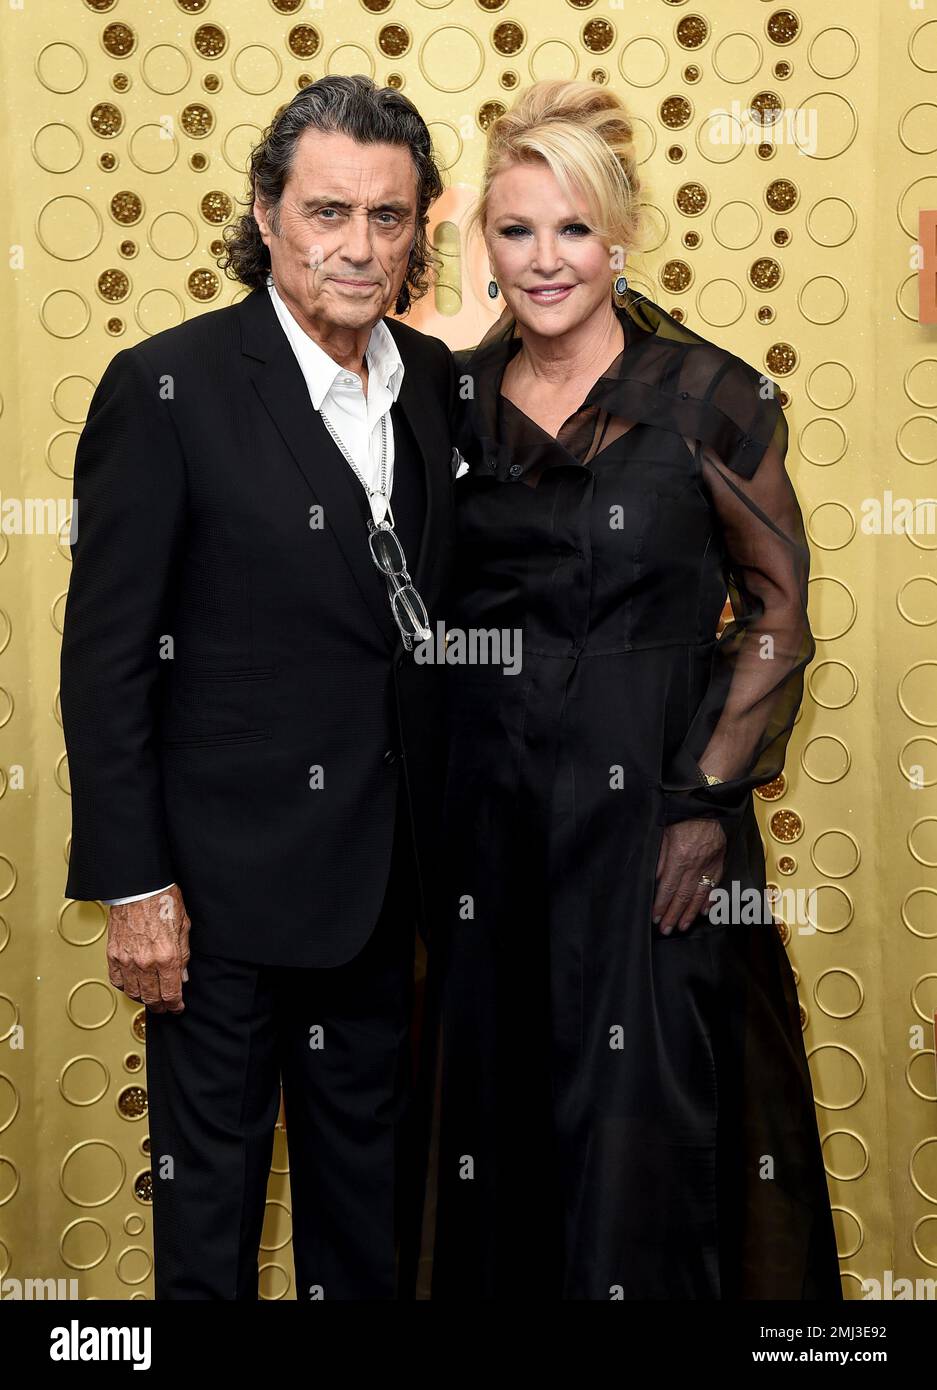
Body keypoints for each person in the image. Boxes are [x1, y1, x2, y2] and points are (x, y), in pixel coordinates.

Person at [428, 79, 842, 1299]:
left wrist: (704, 802)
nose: (544, 259)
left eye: (571, 230)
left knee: (651, 1121)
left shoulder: (710, 395)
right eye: (515, 230)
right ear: (483, 244)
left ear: (619, 238)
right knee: (498, 1122)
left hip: (655, 825)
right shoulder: (447, 404)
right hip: (493, 825)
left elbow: (778, 614)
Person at [60, 75, 455, 1300]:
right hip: (216, 909)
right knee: (210, 1234)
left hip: (386, 897)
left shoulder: (437, 383)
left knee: (370, 1227)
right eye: (329, 211)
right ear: (267, 214)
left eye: (389, 218)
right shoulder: (166, 387)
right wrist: (135, 886)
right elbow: (107, 656)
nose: (360, 246)